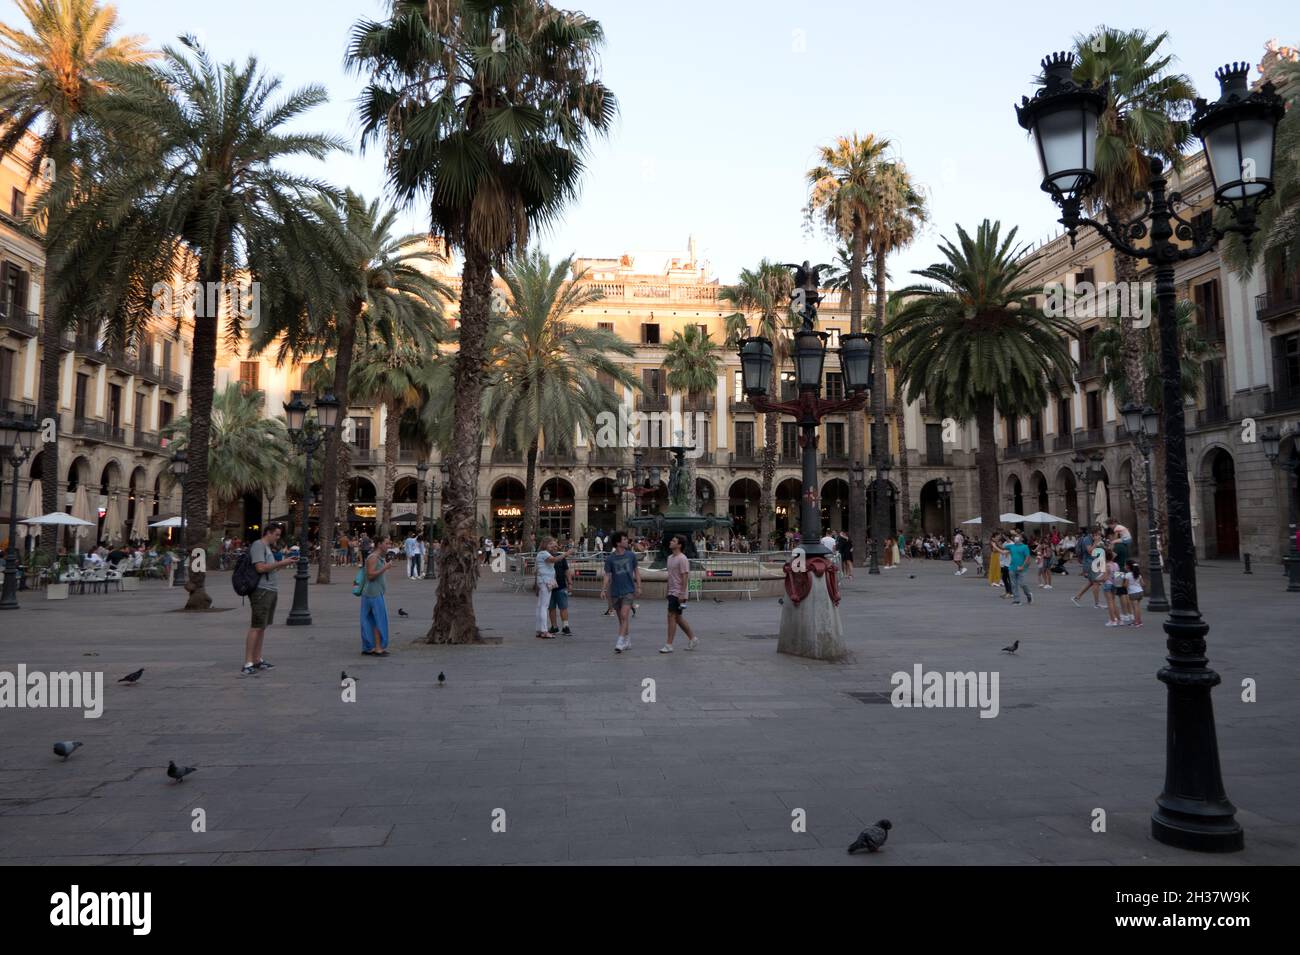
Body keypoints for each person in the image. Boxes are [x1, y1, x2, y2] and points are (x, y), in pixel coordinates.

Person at [243, 523, 297, 676]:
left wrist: (283, 563)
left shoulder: (267, 548)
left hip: (270, 589)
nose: (277, 538)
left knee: (262, 626)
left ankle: (257, 659)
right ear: (268, 532)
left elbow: (269, 567)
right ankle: (248, 662)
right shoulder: (258, 545)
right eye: (276, 534)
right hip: (262, 590)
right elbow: (260, 568)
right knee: (256, 626)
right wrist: (281, 563)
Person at [601, 531, 641, 653]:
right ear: (618, 543)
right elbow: (607, 575)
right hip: (615, 591)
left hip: (628, 590)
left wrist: (639, 586)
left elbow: (637, 571)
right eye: (624, 539)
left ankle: (619, 642)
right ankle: (627, 639)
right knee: (621, 619)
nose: (627, 541)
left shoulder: (631, 555)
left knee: (624, 615)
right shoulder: (610, 559)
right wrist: (603, 589)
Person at [660, 534, 698, 653]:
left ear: (679, 545)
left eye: (674, 540)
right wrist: (667, 589)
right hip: (672, 591)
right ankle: (693, 638)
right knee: (677, 618)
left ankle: (669, 644)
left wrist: (682, 593)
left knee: (671, 616)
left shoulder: (682, 558)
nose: (671, 541)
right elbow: (670, 576)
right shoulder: (670, 558)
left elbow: (685, 576)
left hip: (678, 592)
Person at [360, 535, 396, 654]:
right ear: (379, 544)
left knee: (370, 620)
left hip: (372, 593)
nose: (388, 545)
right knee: (379, 619)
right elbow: (370, 576)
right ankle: (377, 648)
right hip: (373, 593)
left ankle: (371, 647)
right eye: (386, 543)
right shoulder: (373, 557)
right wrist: (384, 568)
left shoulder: (377, 557)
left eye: (389, 543)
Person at [547, 545, 572, 636]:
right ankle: (554, 626)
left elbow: (566, 570)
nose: (554, 548)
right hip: (549, 587)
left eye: (555, 546)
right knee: (551, 608)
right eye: (552, 546)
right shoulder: (546, 557)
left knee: (563, 607)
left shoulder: (561, 558)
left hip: (561, 586)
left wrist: (570, 583)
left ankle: (565, 626)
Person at [1006, 532, 1034, 605]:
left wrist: (1022, 566)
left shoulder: (1025, 547)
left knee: (1022, 584)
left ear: (1022, 539)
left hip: (1022, 569)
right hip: (1012, 568)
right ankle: (1016, 600)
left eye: (1018, 536)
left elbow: (1027, 557)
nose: (1016, 537)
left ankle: (1028, 594)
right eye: (1016, 536)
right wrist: (995, 542)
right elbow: (1002, 547)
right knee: (1013, 584)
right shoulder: (1011, 546)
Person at [1121, 560, 1145, 627]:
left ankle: (1136, 622)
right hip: (1140, 592)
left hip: (1133, 593)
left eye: (1125, 565)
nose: (1124, 566)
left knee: (1135, 608)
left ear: (1128, 567)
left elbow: (1126, 585)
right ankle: (1139, 621)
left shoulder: (1128, 575)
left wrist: (1122, 583)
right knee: (1138, 607)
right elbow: (1143, 584)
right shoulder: (1138, 574)